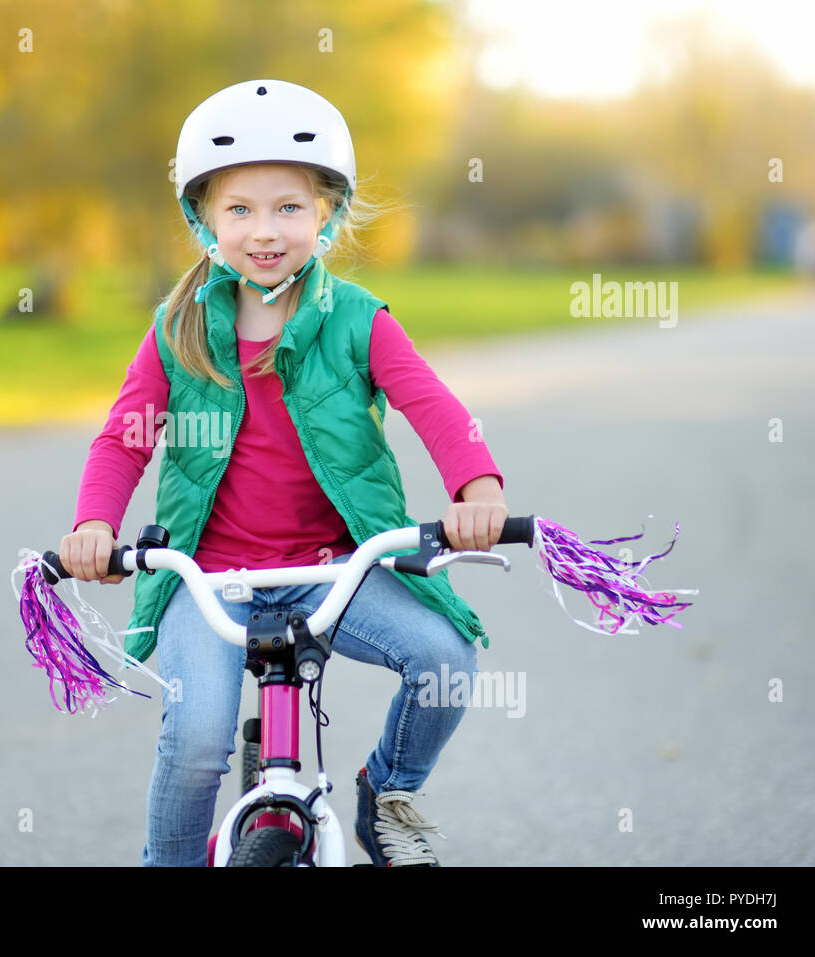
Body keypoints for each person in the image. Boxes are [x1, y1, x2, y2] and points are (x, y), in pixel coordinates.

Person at [57, 79, 509, 867]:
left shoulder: (358, 320)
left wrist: (477, 489)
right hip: (210, 580)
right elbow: (124, 437)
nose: (265, 231)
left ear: (328, 212)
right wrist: (95, 525)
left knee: (445, 657)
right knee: (197, 738)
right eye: (240, 209)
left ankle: (389, 795)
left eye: (288, 208)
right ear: (203, 219)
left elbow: (433, 406)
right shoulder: (180, 328)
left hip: (334, 569)